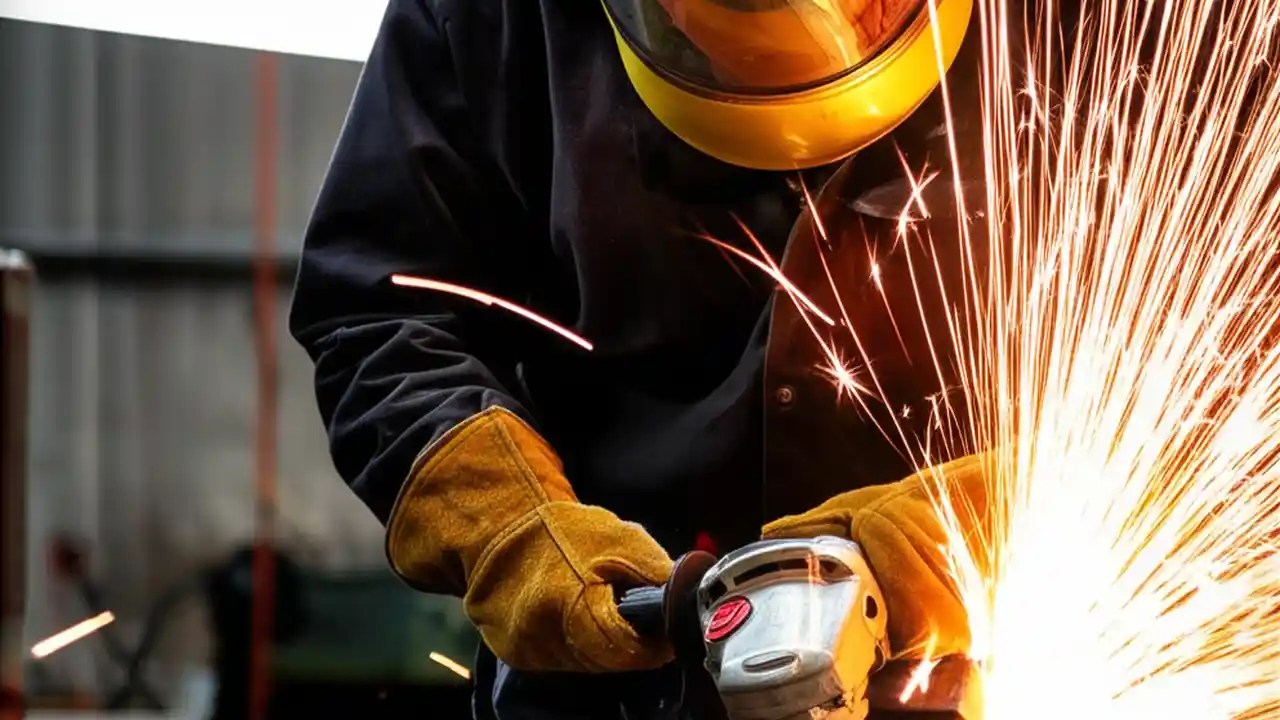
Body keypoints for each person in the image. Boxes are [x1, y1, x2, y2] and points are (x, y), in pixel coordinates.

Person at [289, 0, 990, 717]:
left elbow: (1082, 427)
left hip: (958, 670)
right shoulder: (494, 20)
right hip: (615, 674)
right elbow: (380, 315)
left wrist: (959, 534)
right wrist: (509, 525)